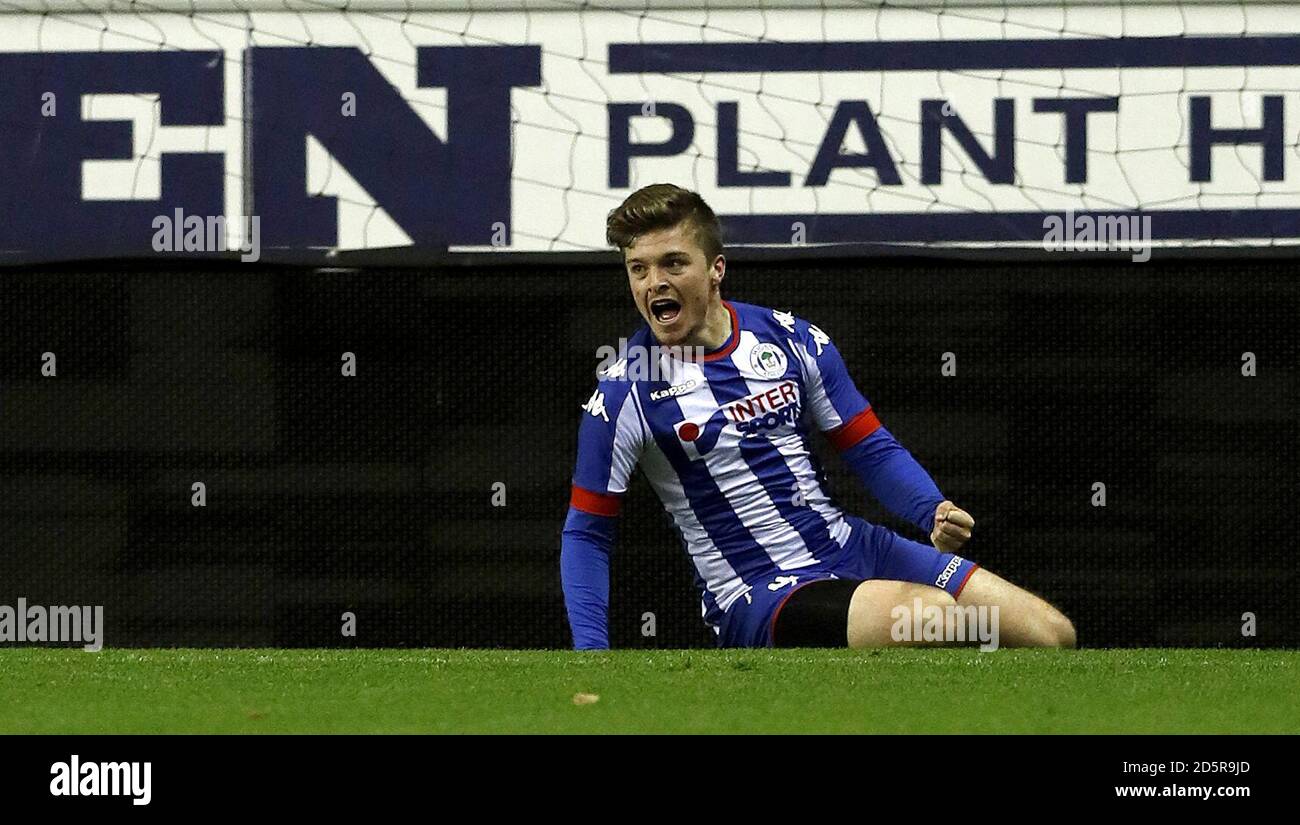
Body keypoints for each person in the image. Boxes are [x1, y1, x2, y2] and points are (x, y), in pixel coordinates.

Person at [561, 183, 1075, 650]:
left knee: (1050, 637)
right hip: (758, 592)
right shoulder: (624, 393)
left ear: (716, 268)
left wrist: (931, 511)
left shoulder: (790, 340)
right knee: (933, 618)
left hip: (852, 546)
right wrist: (591, 655)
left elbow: (869, 447)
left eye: (674, 264)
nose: (655, 283)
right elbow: (587, 532)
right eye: (639, 268)